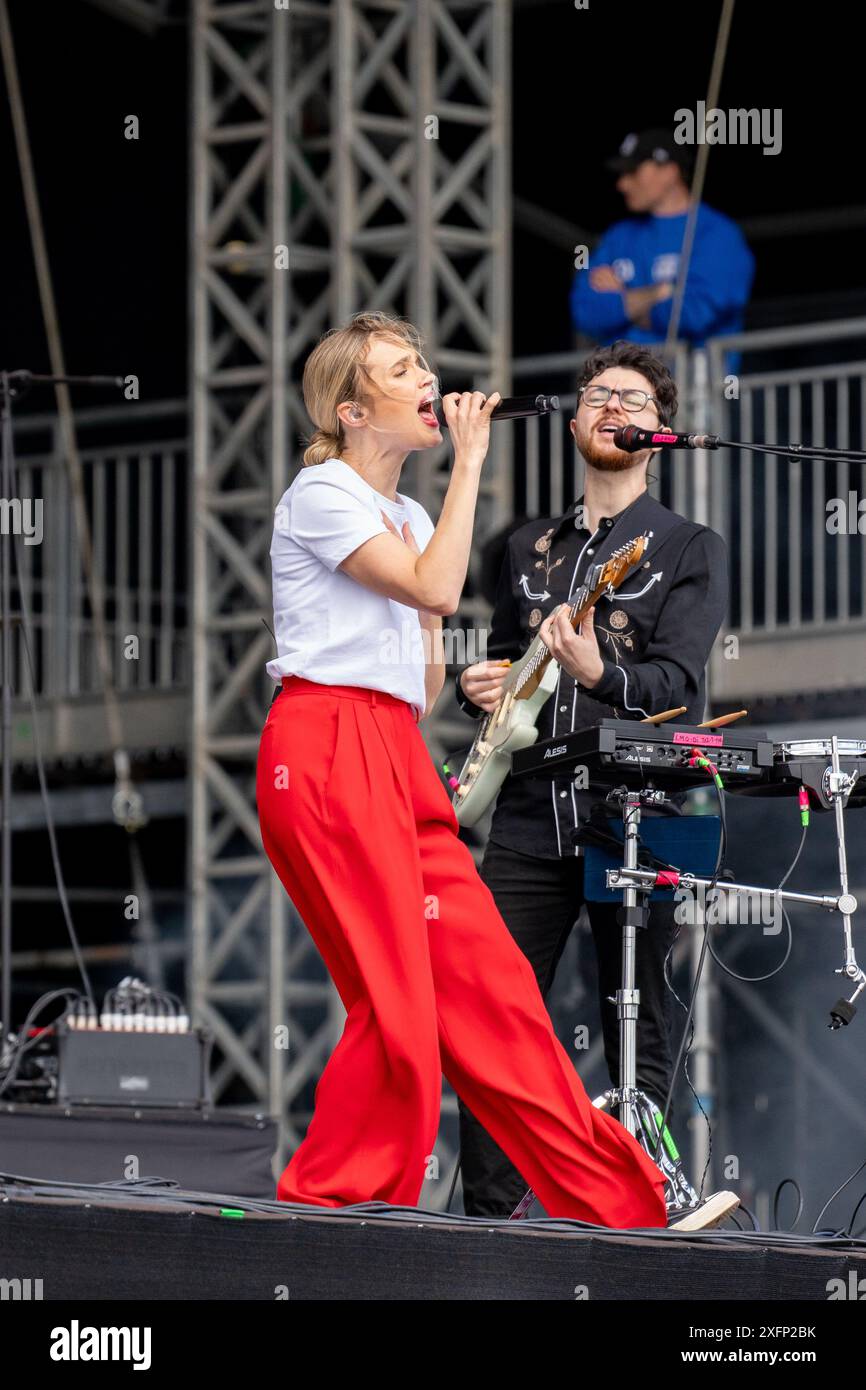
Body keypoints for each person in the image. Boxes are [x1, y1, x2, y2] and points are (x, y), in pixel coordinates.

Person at [256, 310, 672, 1228]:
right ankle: (340, 1209)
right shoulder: (320, 491)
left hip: (397, 747)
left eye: (421, 362)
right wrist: (473, 463)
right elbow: (440, 586)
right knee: (398, 1006)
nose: (426, 381)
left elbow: (428, 673)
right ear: (354, 408)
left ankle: (621, 1204)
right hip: (325, 746)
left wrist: (475, 653)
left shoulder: (405, 512)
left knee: (494, 991)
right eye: (403, 370)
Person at [455, 340, 739, 1228]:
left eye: (635, 400)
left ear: (660, 431)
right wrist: (484, 685)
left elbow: (678, 690)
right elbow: (508, 664)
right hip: (532, 805)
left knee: (640, 1020)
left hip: (637, 809)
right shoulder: (526, 547)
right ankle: (491, 1226)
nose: (615, 407)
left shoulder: (689, 546)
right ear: (576, 422)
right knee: (492, 1013)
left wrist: (599, 674)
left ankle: (642, 1210)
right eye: (598, 395)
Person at [570, 128, 754, 349]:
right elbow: (584, 312)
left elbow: (694, 314)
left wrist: (623, 300)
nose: (622, 184)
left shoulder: (716, 233)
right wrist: (660, 292)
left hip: (691, 380)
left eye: (633, 172)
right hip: (621, 380)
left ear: (669, 171)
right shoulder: (617, 237)